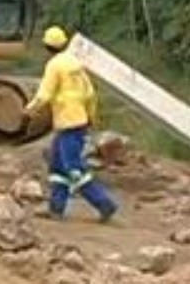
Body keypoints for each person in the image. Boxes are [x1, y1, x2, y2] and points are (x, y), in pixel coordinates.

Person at [23, 25, 118, 222]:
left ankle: (105, 204)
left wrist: (29, 111)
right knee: (58, 165)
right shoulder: (75, 63)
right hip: (77, 122)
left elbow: (44, 95)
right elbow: (90, 94)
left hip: (67, 123)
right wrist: (92, 117)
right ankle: (56, 209)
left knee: (74, 169)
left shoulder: (54, 65)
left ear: (46, 47)